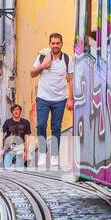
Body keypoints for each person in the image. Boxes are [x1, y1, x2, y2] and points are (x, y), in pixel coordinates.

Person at [29, 33, 73, 165]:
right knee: (41, 125)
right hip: (43, 98)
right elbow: (32, 73)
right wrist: (42, 66)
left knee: (56, 127)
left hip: (60, 99)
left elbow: (71, 80)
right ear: (49, 44)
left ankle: (54, 155)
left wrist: (71, 99)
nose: (55, 46)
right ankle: (42, 153)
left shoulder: (67, 59)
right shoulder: (42, 57)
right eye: (53, 43)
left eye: (57, 43)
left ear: (61, 44)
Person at [0, 104, 31, 168]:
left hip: (20, 149)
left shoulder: (26, 122)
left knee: (19, 170)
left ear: (20, 111)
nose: (16, 111)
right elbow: (1, 135)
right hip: (8, 149)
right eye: (14, 110)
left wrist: (26, 152)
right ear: (12, 112)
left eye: (17, 109)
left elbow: (27, 137)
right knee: (6, 169)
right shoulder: (7, 122)